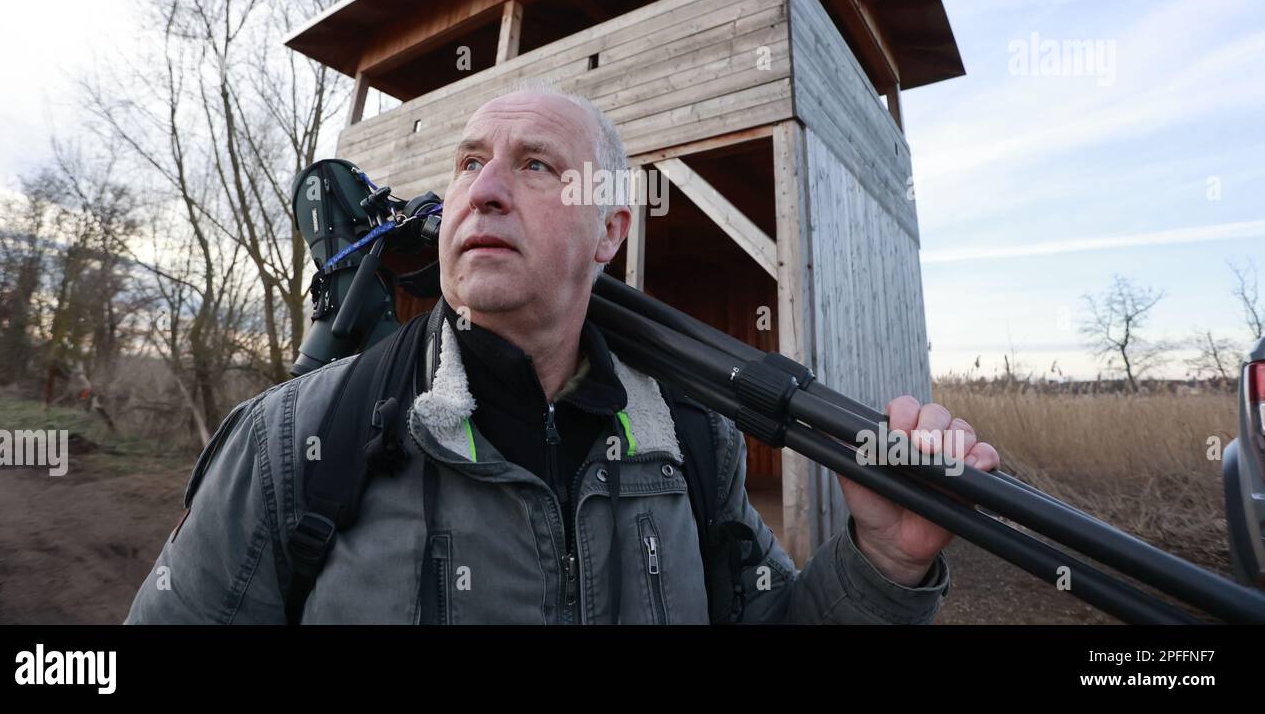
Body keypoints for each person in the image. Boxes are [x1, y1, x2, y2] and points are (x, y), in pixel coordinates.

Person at [125, 87, 999, 624]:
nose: (485, 189)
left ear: (610, 229)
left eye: (535, 166)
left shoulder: (695, 443)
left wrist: (883, 565)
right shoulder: (294, 441)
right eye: (469, 163)